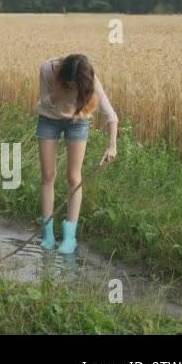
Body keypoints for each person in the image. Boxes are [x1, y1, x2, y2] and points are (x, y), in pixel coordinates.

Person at [36, 54, 118, 254]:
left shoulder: (88, 78)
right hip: (49, 119)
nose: (73, 89)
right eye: (69, 84)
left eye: (76, 86)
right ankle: (47, 233)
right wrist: (58, 92)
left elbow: (111, 115)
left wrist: (112, 145)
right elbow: (44, 102)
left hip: (78, 122)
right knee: (48, 175)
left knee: (74, 177)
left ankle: (69, 237)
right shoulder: (47, 70)